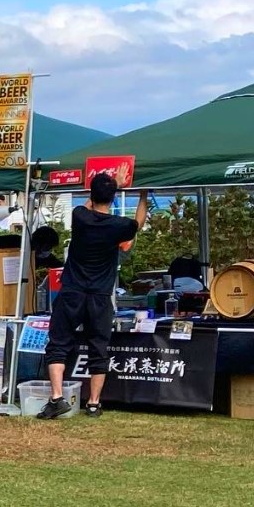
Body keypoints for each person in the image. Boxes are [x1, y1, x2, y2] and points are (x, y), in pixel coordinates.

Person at [39, 174, 149, 419]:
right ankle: (93, 403)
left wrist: (110, 185)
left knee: (58, 344)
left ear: (91, 195)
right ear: (112, 198)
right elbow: (138, 222)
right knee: (98, 346)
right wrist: (142, 196)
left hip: (72, 292)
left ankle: (57, 397)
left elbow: (89, 206)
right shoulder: (119, 225)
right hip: (99, 296)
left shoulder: (80, 215)